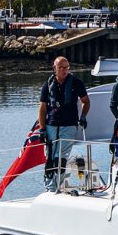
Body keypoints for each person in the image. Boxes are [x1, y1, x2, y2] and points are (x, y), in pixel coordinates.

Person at [38, 56, 90, 190]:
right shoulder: (48, 85)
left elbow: (86, 101)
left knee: (60, 158)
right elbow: (43, 108)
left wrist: (83, 116)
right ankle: (49, 188)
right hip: (51, 125)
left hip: (69, 125)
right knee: (50, 158)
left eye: (67, 67)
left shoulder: (76, 83)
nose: (64, 70)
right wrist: (42, 129)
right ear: (55, 68)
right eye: (61, 67)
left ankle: (56, 187)